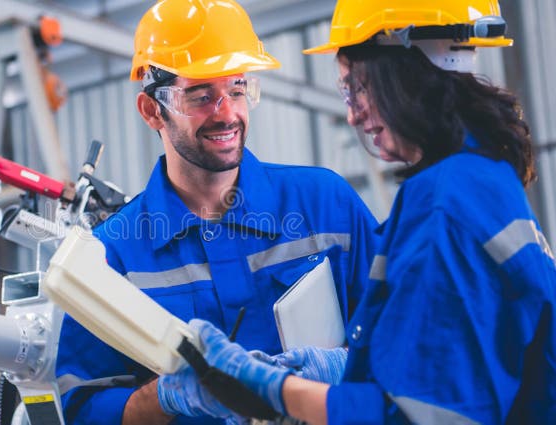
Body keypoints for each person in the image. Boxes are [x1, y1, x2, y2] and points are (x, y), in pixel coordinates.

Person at [160, 0, 556, 423]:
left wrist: (269, 387)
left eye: (357, 87)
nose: (351, 113)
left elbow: (412, 415)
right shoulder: (485, 177)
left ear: (404, 72)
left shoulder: (442, 205)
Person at [54, 0, 380, 424]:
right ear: (152, 110)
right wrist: (167, 396)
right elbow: (81, 410)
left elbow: (406, 340)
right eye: (202, 96)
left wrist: (341, 365)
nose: (227, 113)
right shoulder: (111, 256)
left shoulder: (326, 205)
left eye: (237, 90)